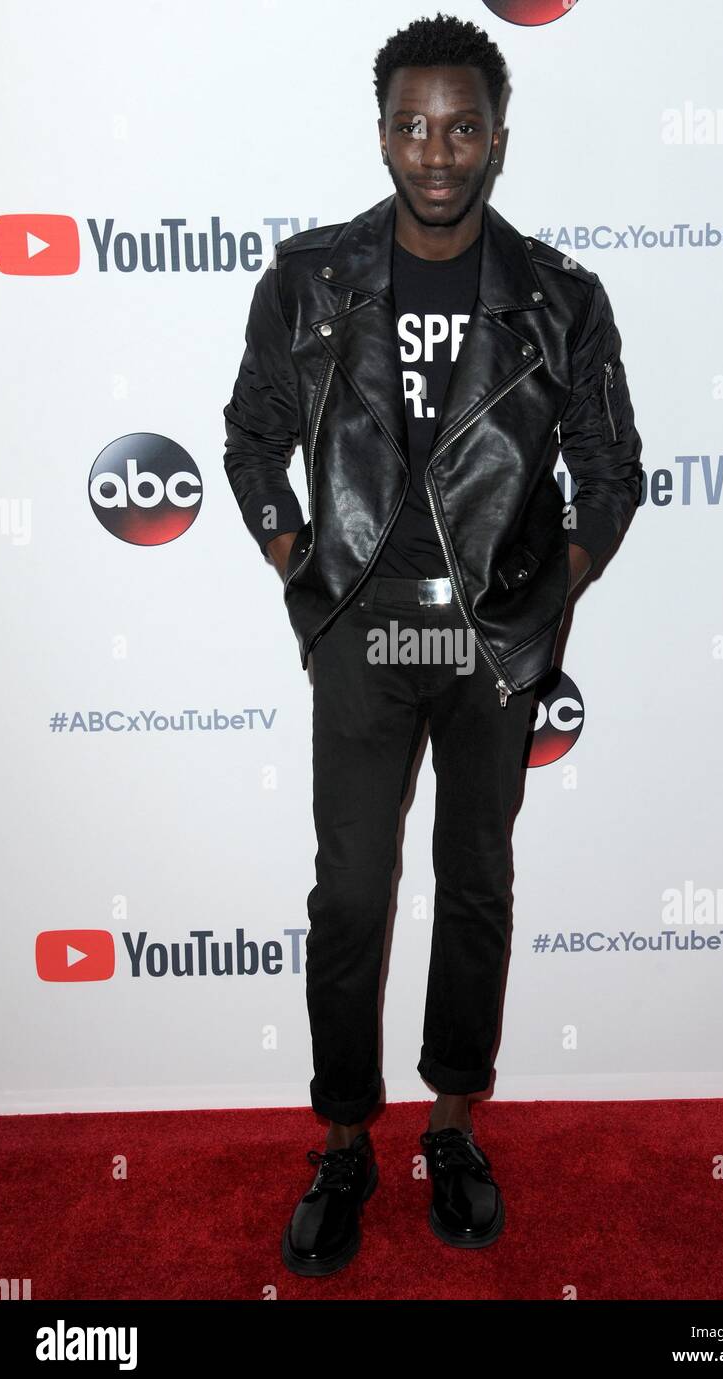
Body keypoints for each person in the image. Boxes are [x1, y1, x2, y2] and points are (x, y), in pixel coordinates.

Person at [223, 11, 643, 1277]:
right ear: (383, 134)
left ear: (498, 138)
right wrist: (302, 564)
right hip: (360, 632)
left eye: (462, 126)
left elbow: (611, 472)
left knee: (476, 884)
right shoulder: (311, 280)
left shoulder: (560, 299)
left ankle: (452, 1121)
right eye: (412, 125)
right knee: (350, 896)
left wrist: (542, 596)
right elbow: (250, 441)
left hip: (491, 651)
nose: (437, 151)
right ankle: (347, 1136)